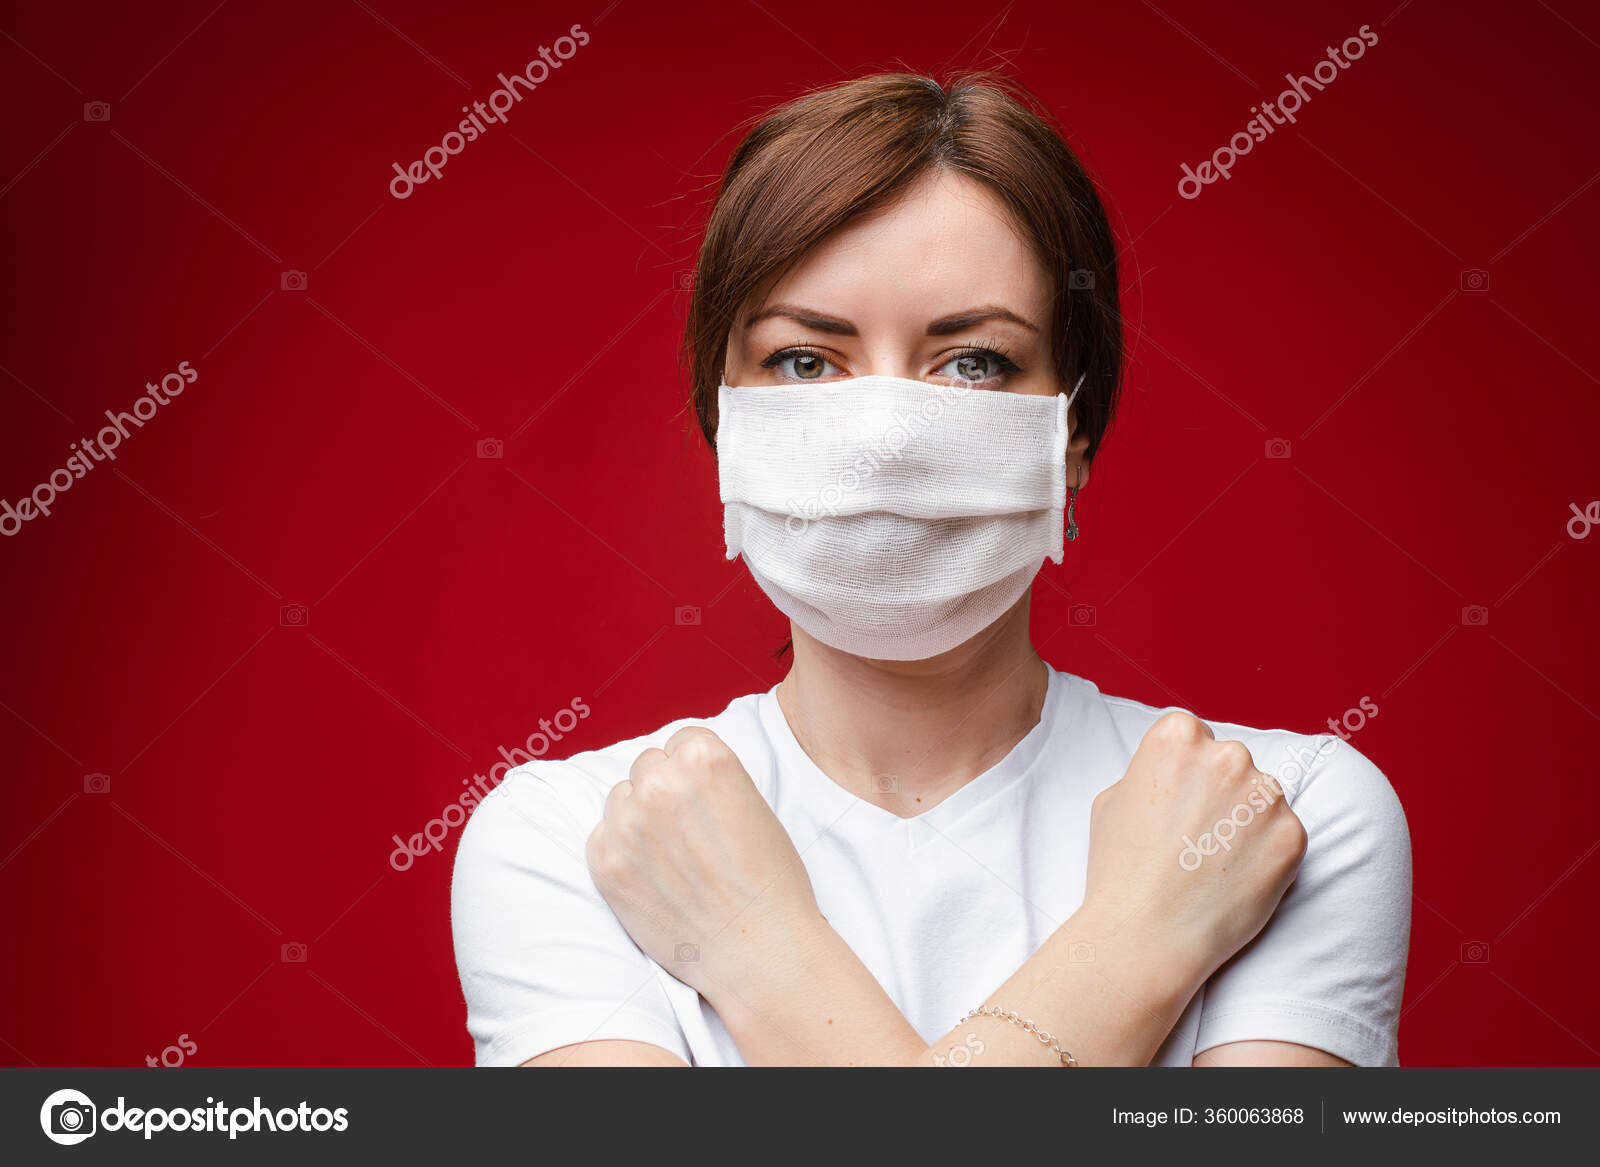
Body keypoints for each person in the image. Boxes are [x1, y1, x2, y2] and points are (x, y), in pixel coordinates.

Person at [451, 71, 1411, 1067]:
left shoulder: (1272, 813)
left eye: (973, 362)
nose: (885, 442)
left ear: (1072, 430)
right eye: (805, 361)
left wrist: (756, 956)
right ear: (724, 419)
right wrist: (1141, 947)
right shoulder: (578, 839)